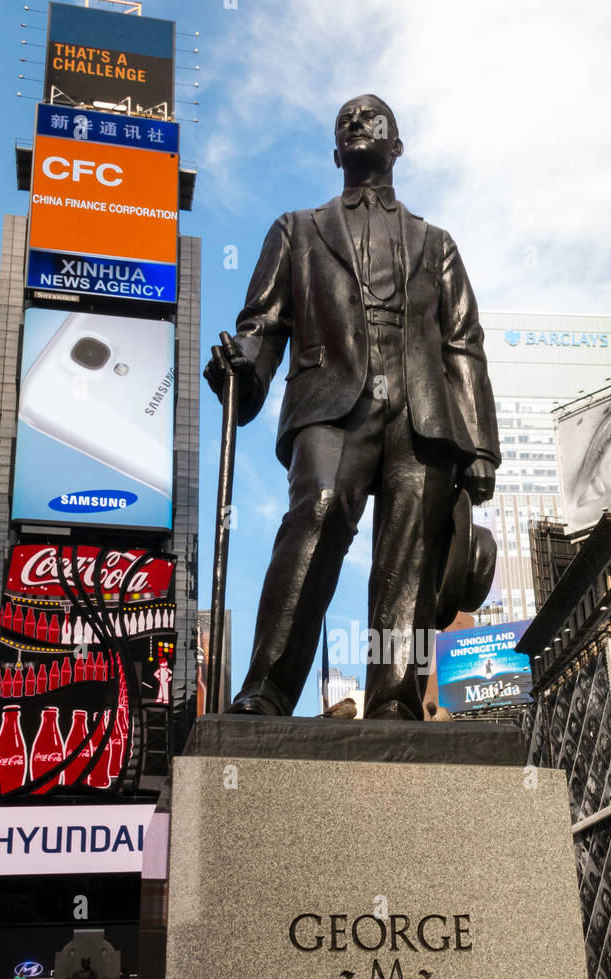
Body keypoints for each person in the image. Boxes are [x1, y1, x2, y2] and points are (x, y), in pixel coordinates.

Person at [204, 94, 499, 721]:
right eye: (346, 121)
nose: (358, 123)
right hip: (333, 401)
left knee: (411, 550)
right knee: (316, 512)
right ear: (336, 152)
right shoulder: (298, 229)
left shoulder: (436, 243)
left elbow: (462, 343)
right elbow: (262, 325)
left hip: (423, 411)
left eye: (374, 118)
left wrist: (479, 449)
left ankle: (394, 700)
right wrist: (243, 370)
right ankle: (267, 688)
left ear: (397, 146)